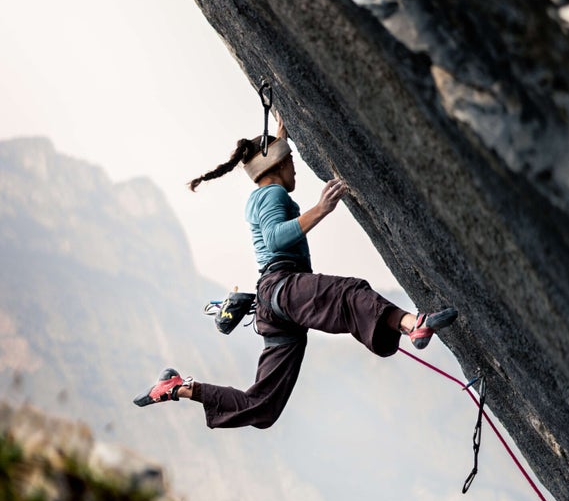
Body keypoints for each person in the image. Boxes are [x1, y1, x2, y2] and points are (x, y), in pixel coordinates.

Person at [133, 111, 457, 427]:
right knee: (349, 292)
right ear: (277, 164)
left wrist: (281, 132)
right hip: (282, 288)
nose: (296, 170)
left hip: (273, 306)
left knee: (262, 405)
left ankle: (179, 387)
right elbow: (275, 237)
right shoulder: (271, 193)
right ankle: (412, 324)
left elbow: (272, 190)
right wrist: (321, 209)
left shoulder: (261, 193)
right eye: (291, 162)